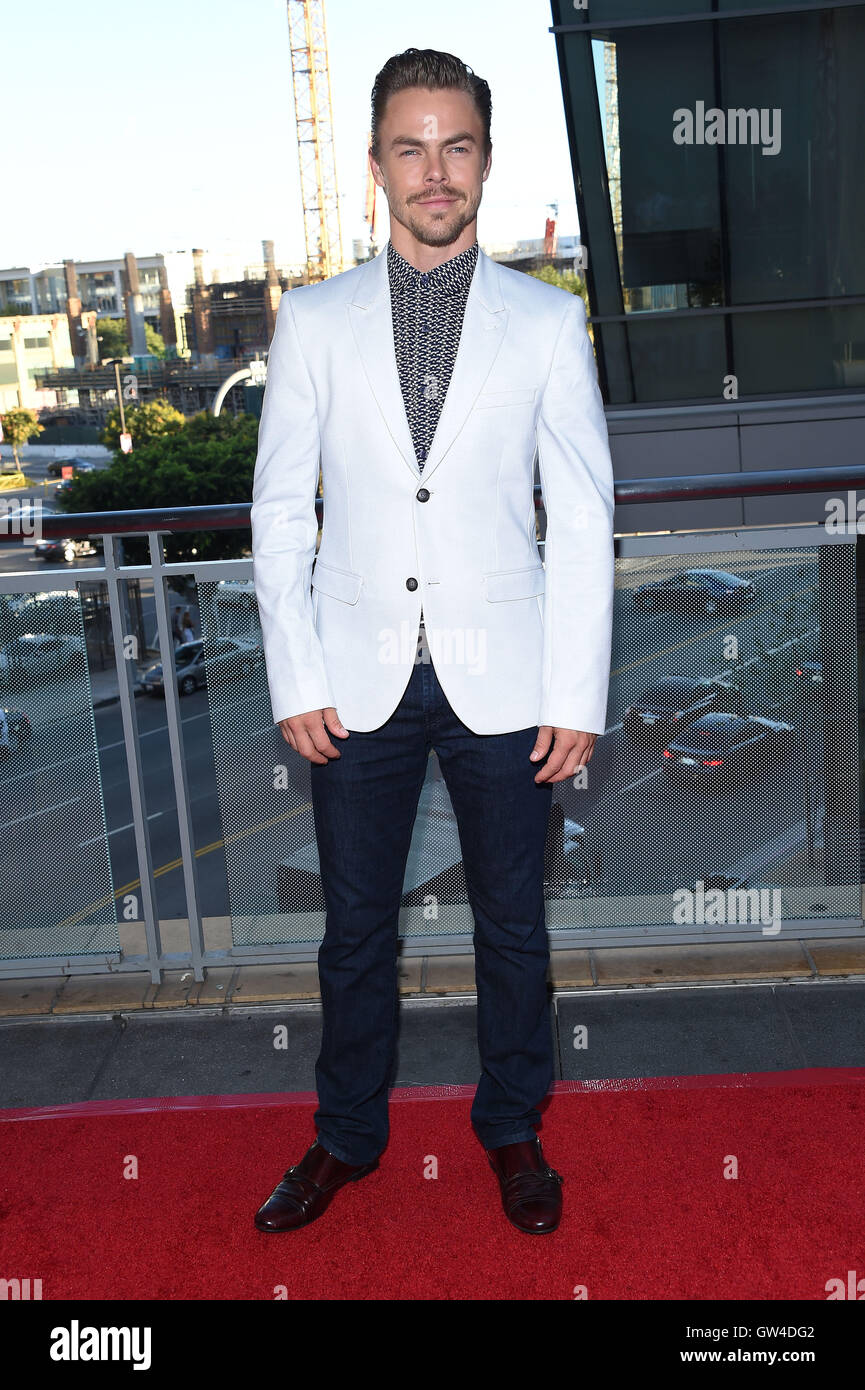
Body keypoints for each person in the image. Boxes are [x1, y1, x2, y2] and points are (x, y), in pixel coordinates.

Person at [250, 48, 615, 1237]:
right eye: (409, 146)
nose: (434, 170)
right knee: (352, 933)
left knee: (515, 925)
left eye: (455, 145)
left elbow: (584, 519)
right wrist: (296, 674)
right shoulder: (308, 322)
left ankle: (512, 1127)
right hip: (353, 679)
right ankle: (347, 1136)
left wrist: (577, 691)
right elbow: (275, 511)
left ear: (485, 161)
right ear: (374, 166)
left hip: (506, 677)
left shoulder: (550, 324)